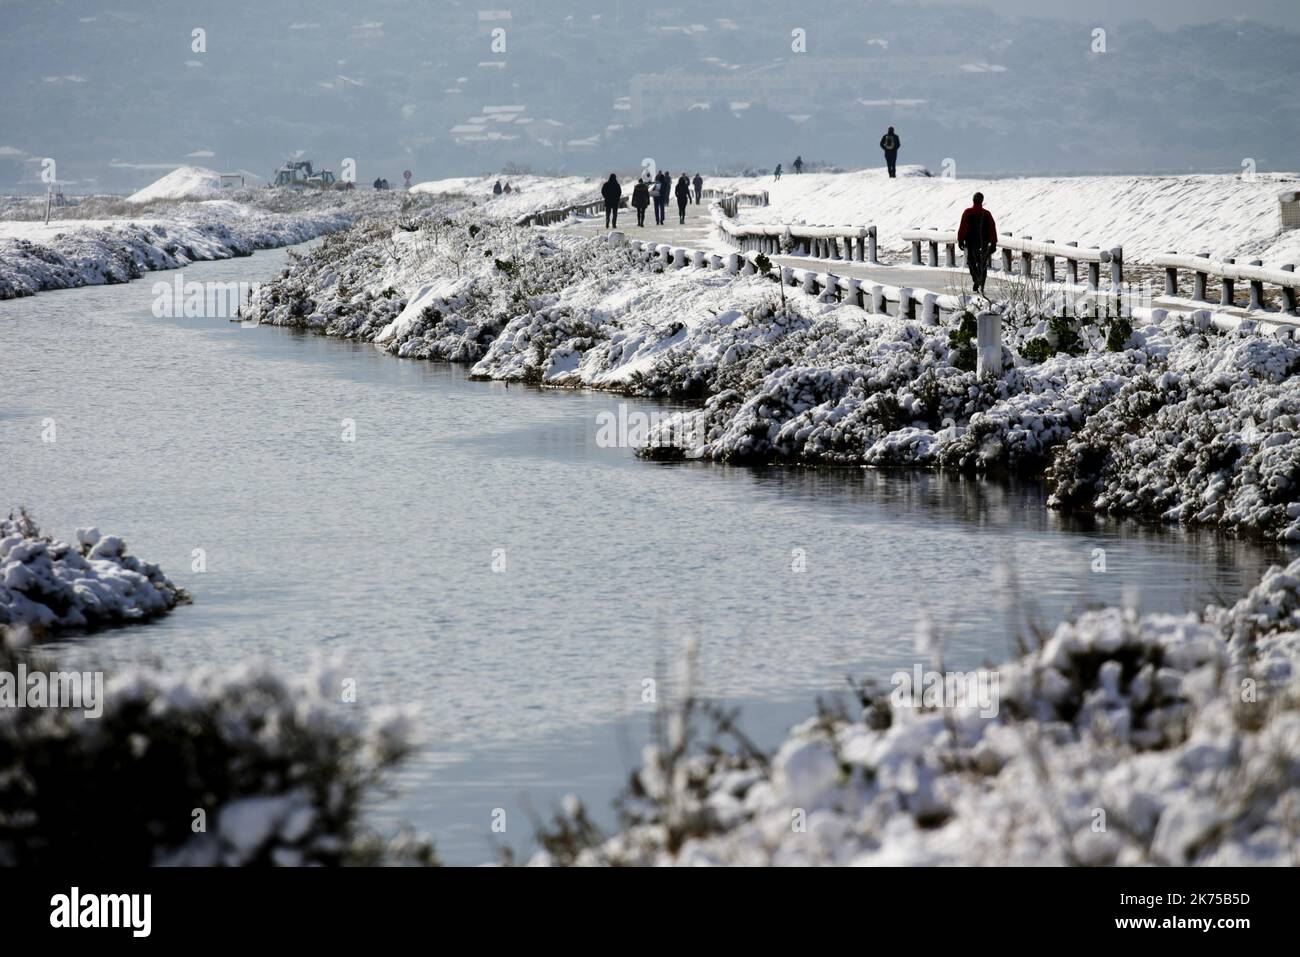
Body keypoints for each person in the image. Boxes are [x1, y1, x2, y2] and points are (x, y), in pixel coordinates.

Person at [957, 192, 998, 296]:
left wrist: (960, 240)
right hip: (983, 243)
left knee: (971, 262)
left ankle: (976, 279)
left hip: (971, 242)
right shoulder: (987, 214)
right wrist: (993, 243)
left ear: (973, 200)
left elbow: (963, 227)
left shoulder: (968, 212)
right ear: (982, 201)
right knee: (983, 263)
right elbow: (992, 228)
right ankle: (982, 284)